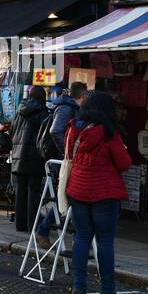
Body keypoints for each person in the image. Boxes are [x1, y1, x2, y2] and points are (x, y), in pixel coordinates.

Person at [63, 91, 132, 294]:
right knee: (105, 242)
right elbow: (124, 164)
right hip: (105, 193)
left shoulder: (74, 128)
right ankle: (107, 290)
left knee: (81, 238)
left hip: (79, 190)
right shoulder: (110, 133)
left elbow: (68, 156)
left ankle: (78, 287)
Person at [33, 81, 87, 250]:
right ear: (83, 95)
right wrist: (68, 152)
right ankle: (44, 230)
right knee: (66, 196)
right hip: (62, 160)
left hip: (63, 159)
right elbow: (55, 130)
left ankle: (47, 230)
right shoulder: (67, 108)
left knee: (66, 196)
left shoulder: (68, 107)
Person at [9, 85, 50, 233]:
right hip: (35, 157)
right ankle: (33, 225)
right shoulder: (44, 112)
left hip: (19, 156)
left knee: (20, 192)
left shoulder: (20, 110)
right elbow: (45, 137)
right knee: (34, 193)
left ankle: (20, 225)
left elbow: (12, 131)